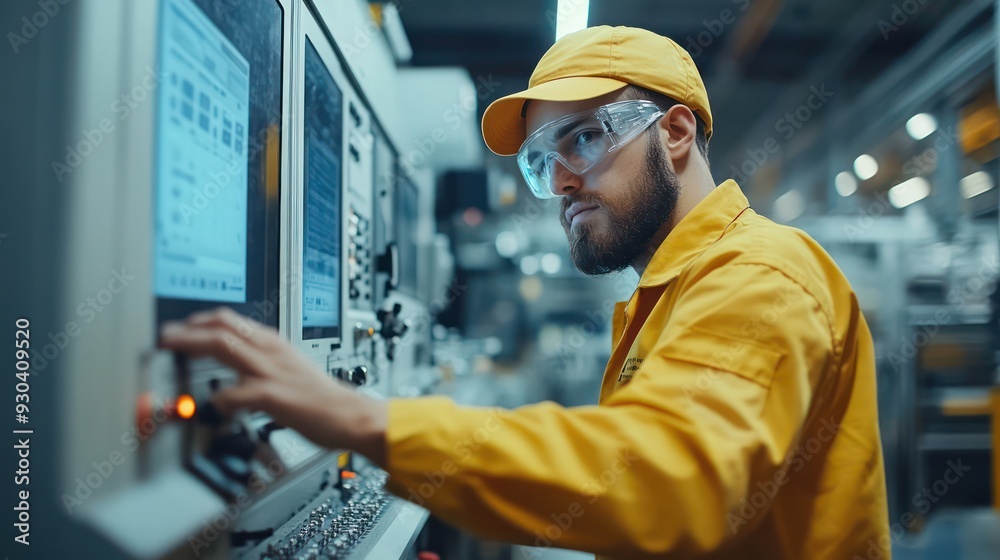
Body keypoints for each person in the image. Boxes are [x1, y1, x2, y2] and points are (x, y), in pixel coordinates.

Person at [161, 26, 890, 560]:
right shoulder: (675, 290)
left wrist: (362, 419)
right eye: (543, 163)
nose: (561, 181)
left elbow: (665, 482)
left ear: (673, 132)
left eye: (583, 139)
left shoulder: (758, 276)